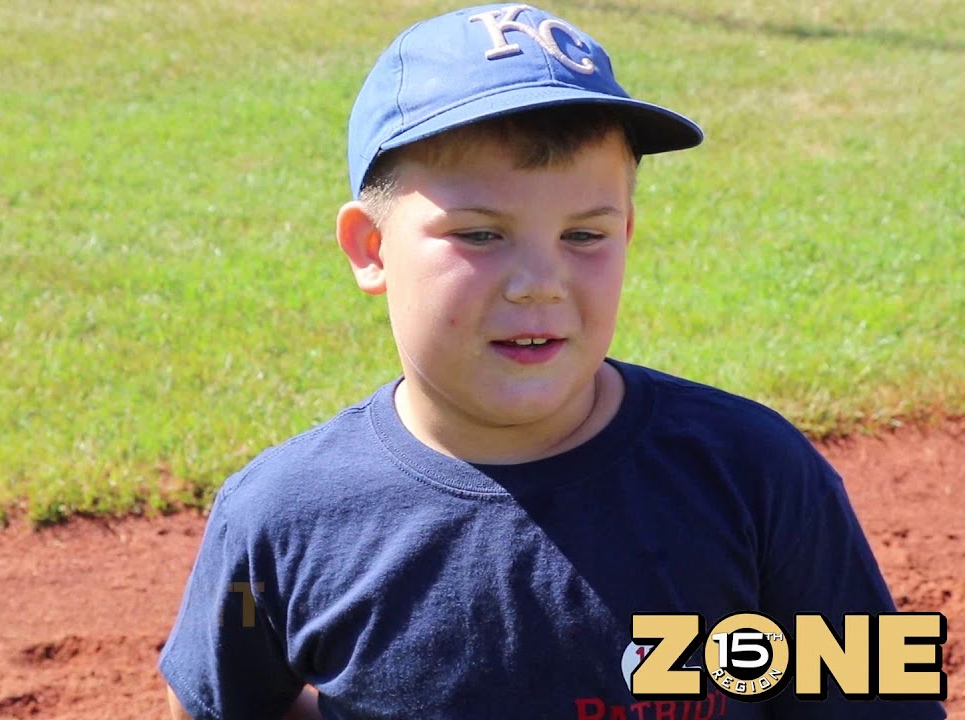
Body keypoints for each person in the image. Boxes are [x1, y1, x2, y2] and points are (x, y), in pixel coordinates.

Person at [158, 4, 948, 719]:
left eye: (584, 235)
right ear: (371, 248)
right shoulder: (281, 517)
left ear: (628, 234)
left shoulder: (755, 475)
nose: (540, 284)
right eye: (479, 234)